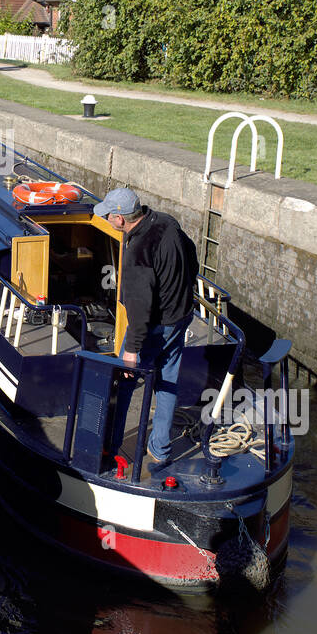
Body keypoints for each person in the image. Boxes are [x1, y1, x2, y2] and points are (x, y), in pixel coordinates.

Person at [94, 187, 198, 467]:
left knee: (124, 382)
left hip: (155, 326)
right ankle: (161, 448)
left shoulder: (137, 252)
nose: (106, 220)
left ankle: (110, 444)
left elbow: (139, 309)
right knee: (168, 380)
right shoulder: (166, 221)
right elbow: (192, 254)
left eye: (108, 215)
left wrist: (131, 350)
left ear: (120, 219)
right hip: (180, 317)